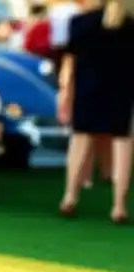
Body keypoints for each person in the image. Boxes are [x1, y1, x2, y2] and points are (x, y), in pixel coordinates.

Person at [57, 0, 134, 222]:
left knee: (80, 141)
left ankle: (70, 196)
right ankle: (118, 206)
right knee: (123, 145)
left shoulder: (80, 22)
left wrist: (65, 95)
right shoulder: (130, 24)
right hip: (123, 91)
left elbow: (69, 64)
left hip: (87, 89)